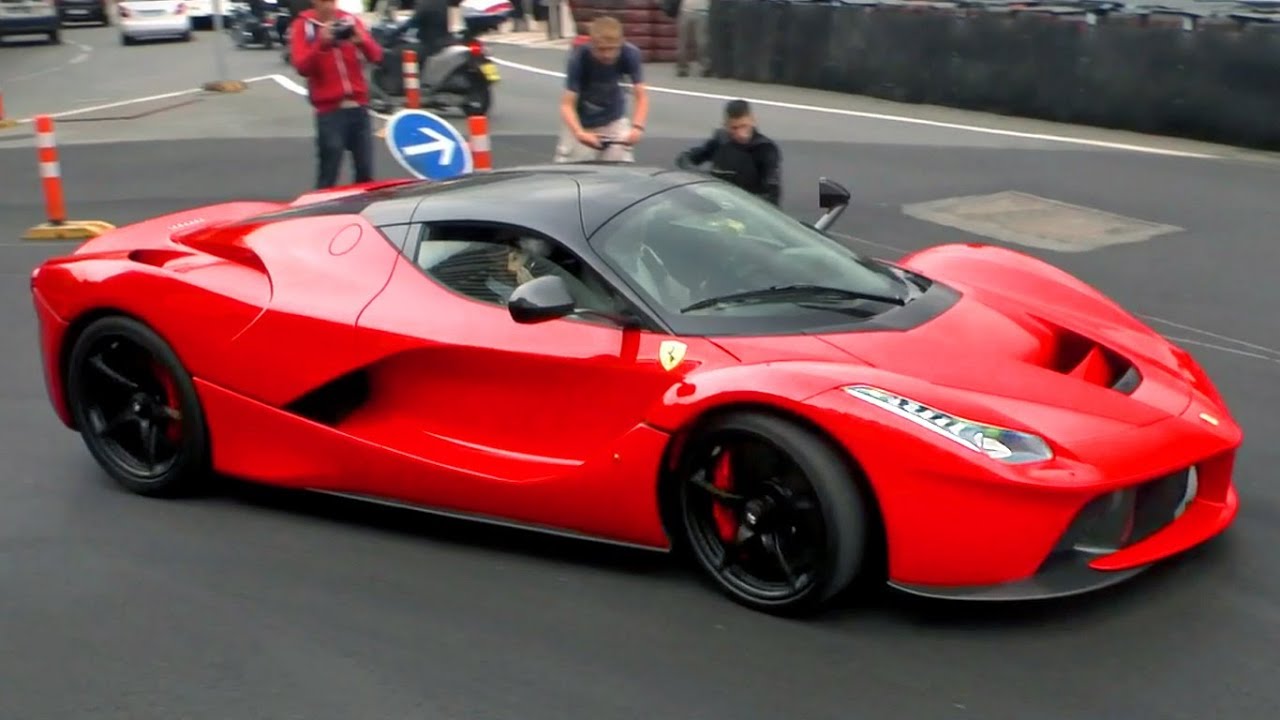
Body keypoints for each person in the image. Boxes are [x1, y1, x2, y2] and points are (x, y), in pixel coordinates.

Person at [290, 0, 384, 189]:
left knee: (365, 171)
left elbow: (376, 56)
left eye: (332, 1)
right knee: (329, 171)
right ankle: (322, 214)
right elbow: (302, 67)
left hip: (359, 107)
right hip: (329, 111)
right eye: (324, 1)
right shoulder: (303, 26)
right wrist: (321, 44)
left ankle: (363, 211)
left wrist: (362, 41)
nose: (329, 6)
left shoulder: (349, 20)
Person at [554, 15, 649, 163]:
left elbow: (641, 95)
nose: (607, 55)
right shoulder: (579, 58)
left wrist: (637, 127)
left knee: (621, 168)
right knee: (572, 170)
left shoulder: (630, 54)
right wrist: (579, 133)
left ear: (621, 43)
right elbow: (567, 104)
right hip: (582, 120)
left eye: (612, 49)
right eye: (601, 49)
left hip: (613, 117)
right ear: (591, 44)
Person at [676, 99, 782, 206]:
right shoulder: (721, 140)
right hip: (716, 202)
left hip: (746, 208)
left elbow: (772, 193)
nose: (740, 133)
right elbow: (687, 158)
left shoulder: (765, 148)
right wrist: (695, 174)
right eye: (734, 128)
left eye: (744, 126)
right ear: (726, 125)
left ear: (752, 121)